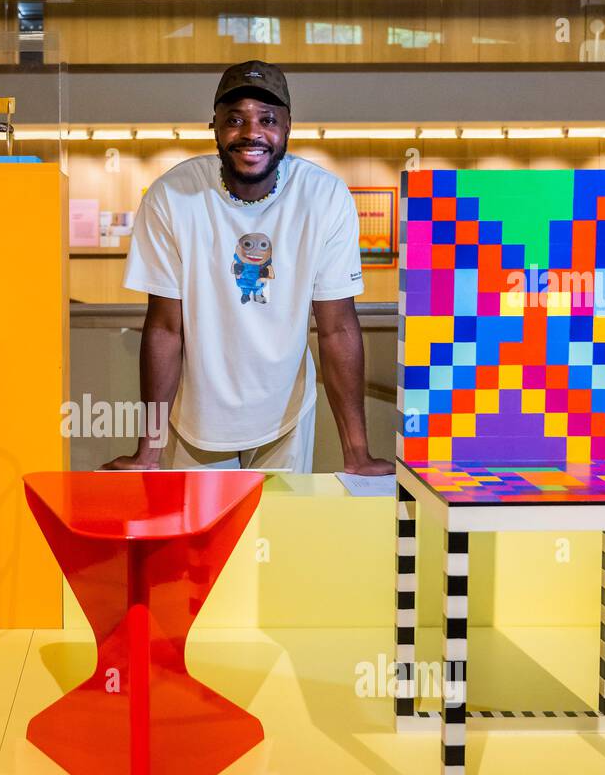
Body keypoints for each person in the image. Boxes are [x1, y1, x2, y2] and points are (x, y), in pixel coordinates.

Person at [103, 60, 393, 475]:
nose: (251, 133)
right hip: (193, 422)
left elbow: (338, 328)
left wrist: (357, 453)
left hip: (285, 417)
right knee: (199, 539)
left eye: (267, 119)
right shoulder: (172, 196)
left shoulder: (324, 197)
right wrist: (148, 451)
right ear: (215, 126)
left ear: (288, 126)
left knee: (280, 538)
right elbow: (165, 329)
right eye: (235, 119)